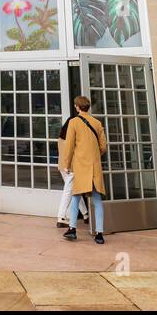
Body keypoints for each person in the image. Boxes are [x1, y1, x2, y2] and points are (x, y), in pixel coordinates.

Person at [59, 95, 107, 244]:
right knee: (97, 200)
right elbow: (103, 147)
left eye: (75, 106)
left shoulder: (73, 122)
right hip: (95, 166)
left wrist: (66, 164)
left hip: (80, 166)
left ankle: (72, 230)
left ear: (77, 107)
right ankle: (99, 234)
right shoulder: (97, 123)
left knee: (76, 198)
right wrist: (94, 155)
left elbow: (69, 146)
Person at [55, 105, 89, 229]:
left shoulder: (60, 138)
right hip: (70, 168)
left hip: (62, 166)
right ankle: (61, 217)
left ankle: (85, 214)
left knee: (75, 189)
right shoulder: (71, 140)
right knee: (69, 191)